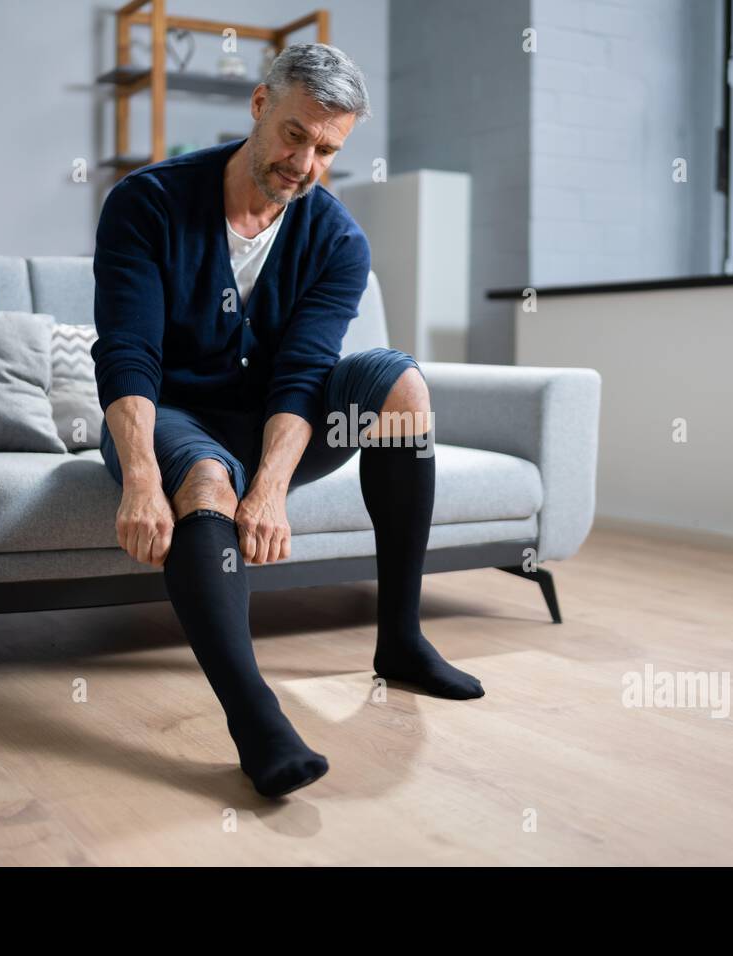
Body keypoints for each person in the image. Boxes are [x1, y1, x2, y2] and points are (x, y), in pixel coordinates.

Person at [93, 43, 483, 799]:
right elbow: (129, 354)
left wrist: (270, 486)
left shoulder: (337, 241)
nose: (305, 163)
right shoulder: (148, 202)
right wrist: (140, 477)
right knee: (205, 478)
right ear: (260, 104)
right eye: (296, 135)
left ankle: (400, 640)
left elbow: (304, 377)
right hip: (170, 416)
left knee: (401, 382)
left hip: (279, 419)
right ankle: (256, 719)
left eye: (327, 149)